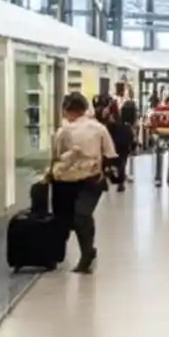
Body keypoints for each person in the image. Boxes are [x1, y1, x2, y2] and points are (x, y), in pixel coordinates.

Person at [51, 92, 117, 274]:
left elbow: (56, 156)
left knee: (71, 217)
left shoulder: (63, 131)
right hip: (92, 179)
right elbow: (110, 154)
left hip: (67, 181)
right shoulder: (99, 129)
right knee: (82, 216)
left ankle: (81, 253)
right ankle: (86, 252)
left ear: (68, 111)